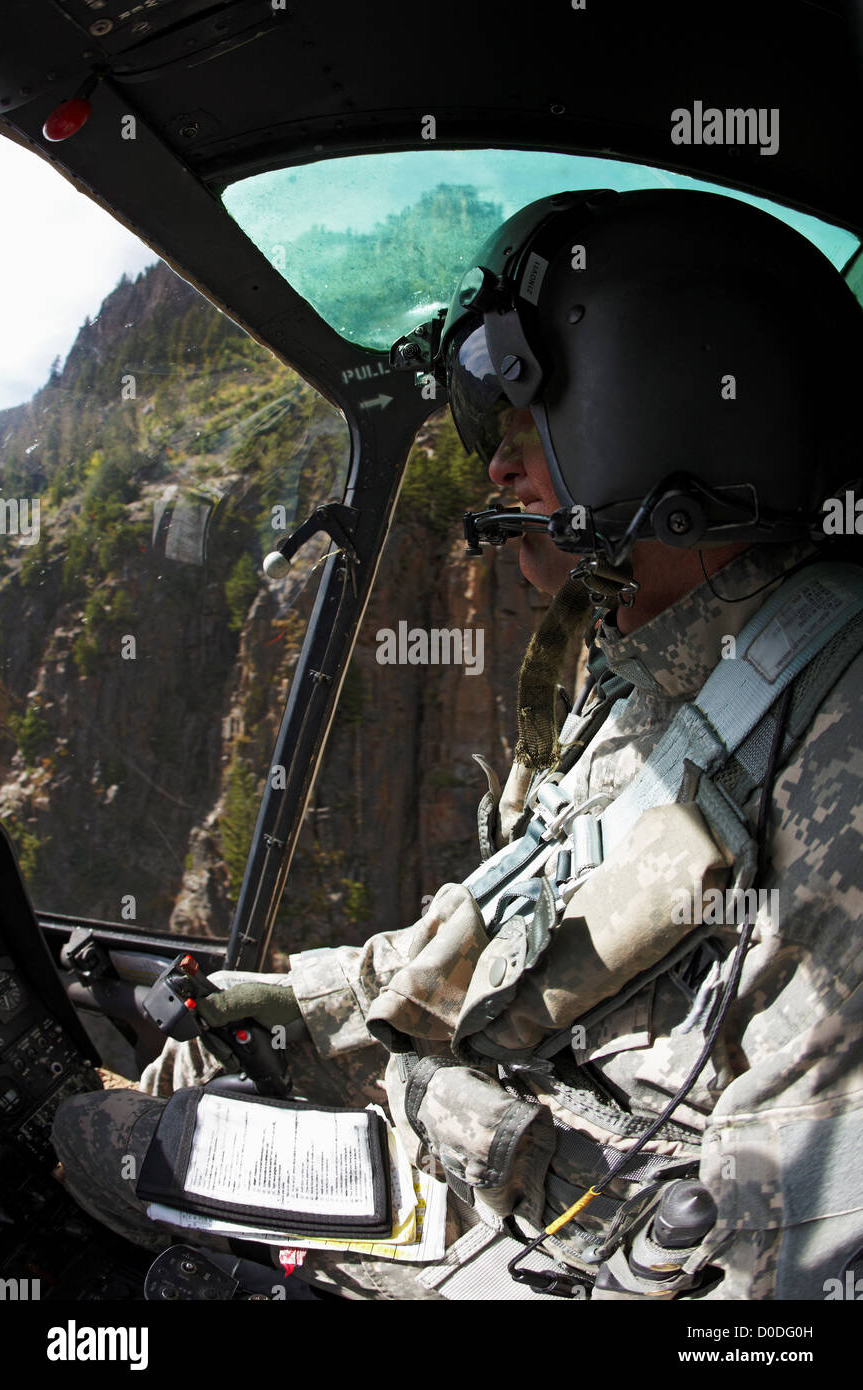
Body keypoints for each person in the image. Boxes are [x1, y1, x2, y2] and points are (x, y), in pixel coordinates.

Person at [52, 188, 863, 1301]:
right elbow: (530, 906)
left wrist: (460, 1144)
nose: (492, 469)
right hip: (483, 1125)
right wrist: (309, 997)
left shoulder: (835, 729)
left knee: (110, 1162)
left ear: (655, 405)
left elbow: (784, 1268)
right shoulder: (657, 673)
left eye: (522, 423)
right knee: (158, 1093)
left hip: (560, 1235)